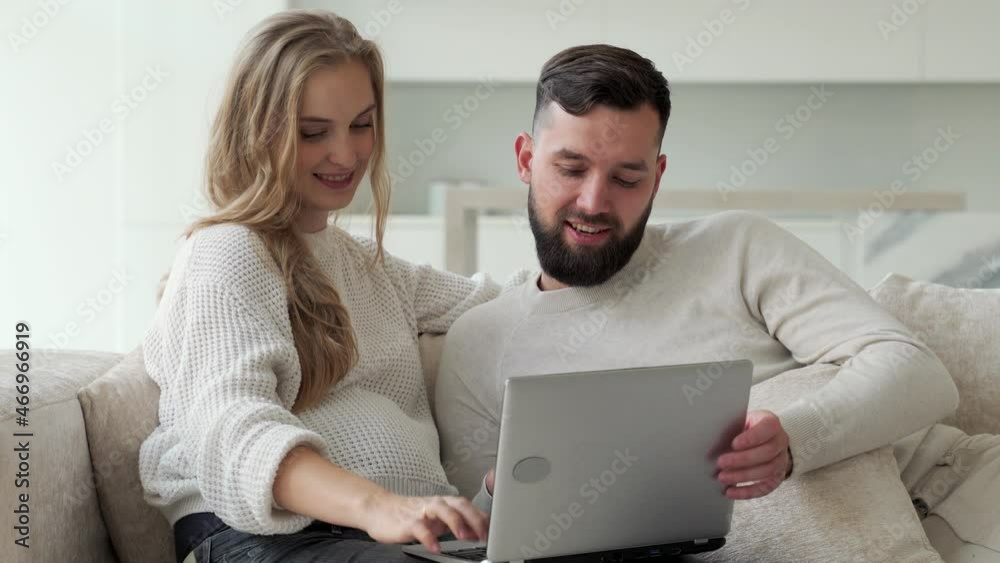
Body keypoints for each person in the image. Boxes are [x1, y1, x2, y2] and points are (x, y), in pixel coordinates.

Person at [436, 44, 1000, 559]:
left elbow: (920, 372)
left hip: (955, 491)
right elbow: (472, 532)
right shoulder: (481, 341)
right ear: (525, 159)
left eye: (627, 178)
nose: (593, 201)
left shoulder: (735, 246)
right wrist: (510, 491)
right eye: (571, 168)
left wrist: (794, 438)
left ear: (657, 177)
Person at [139, 10, 504, 563]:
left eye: (362, 125)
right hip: (264, 538)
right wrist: (378, 506)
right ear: (257, 133)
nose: (347, 154)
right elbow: (234, 431)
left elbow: (505, 303)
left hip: (391, 539)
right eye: (313, 133)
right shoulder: (225, 250)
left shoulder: (370, 268)